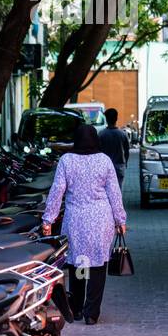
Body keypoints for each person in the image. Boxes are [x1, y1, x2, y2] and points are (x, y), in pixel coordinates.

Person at [41, 124, 127, 325]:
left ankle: (77, 308)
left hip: (76, 222)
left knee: (80, 264)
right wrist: (120, 220)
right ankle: (91, 312)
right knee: (98, 266)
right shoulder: (104, 161)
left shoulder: (67, 161)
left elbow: (57, 191)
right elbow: (114, 193)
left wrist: (48, 220)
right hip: (101, 221)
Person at [99, 107, 130, 186]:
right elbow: (127, 151)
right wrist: (125, 163)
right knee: (118, 191)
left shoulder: (101, 134)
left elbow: (97, 152)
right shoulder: (123, 134)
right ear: (116, 118)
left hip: (104, 167)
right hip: (119, 166)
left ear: (106, 119)